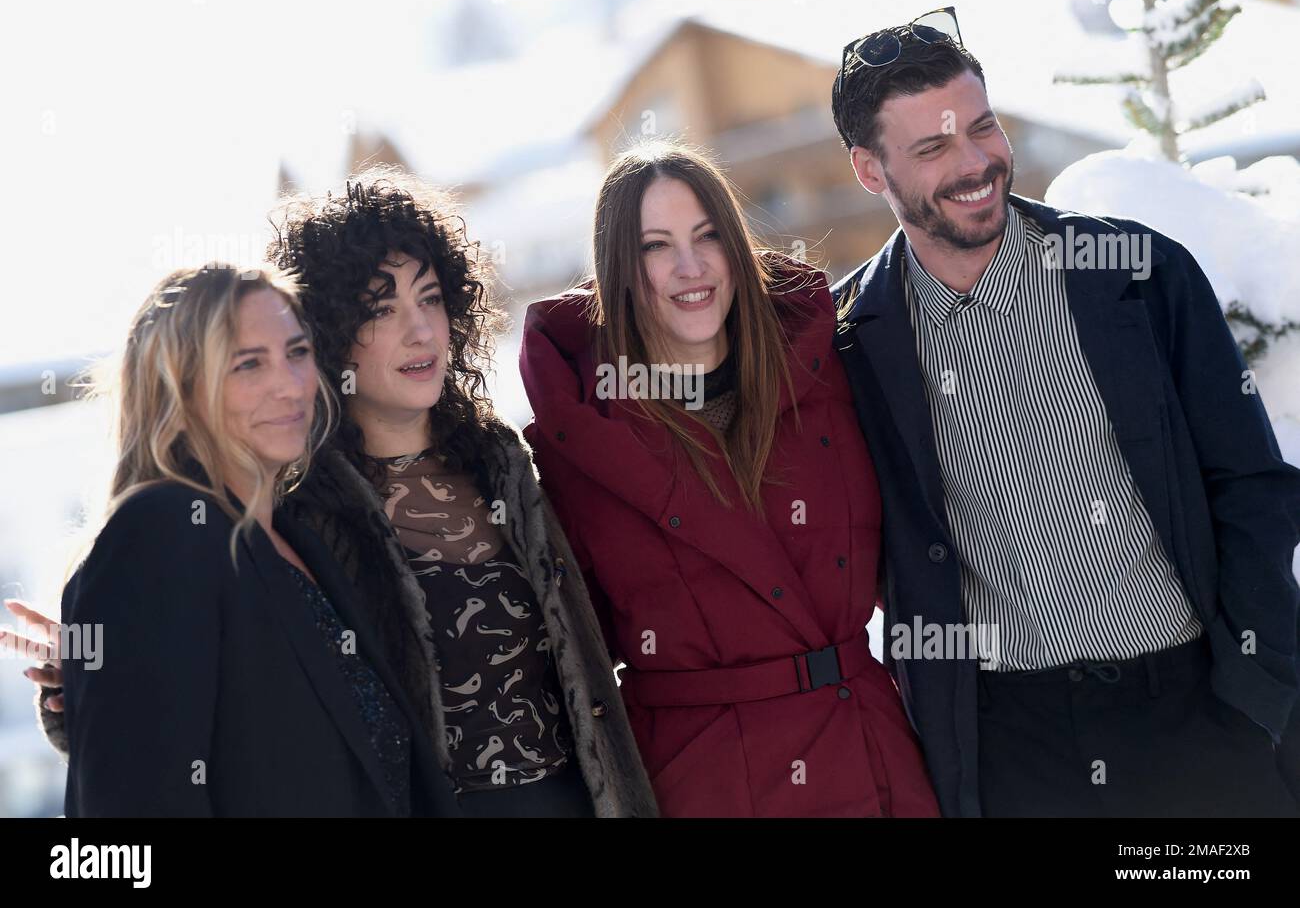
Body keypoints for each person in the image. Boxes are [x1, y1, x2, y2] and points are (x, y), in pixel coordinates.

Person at [19, 170, 657, 818]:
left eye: (431, 297)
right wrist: (89, 671)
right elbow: (196, 725)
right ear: (335, 330)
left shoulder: (501, 461)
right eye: (380, 308)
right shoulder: (295, 505)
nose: (419, 330)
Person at [828, 7, 1300, 816]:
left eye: (984, 127)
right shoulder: (849, 345)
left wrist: (1255, 692)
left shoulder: (1137, 274)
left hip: (1201, 719)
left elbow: (1251, 482)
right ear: (872, 172)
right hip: (1014, 749)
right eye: (934, 147)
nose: (976, 163)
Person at [520, 141, 940, 817]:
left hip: (870, 747)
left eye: (708, 234)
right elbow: (574, 656)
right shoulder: (578, 443)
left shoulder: (830, 369)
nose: (692, 266)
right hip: (706, 778)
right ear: (620, 272)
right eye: (657, 246)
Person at [28, 262, 459, 815]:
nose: (290, 384)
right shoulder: (160, 530)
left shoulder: (295, 538)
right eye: (248, 364)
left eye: (297, 352)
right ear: (178, 387)